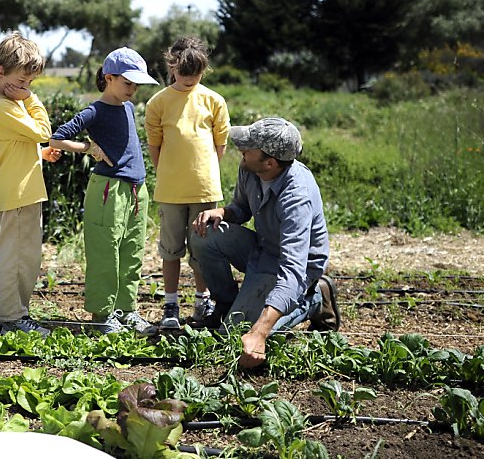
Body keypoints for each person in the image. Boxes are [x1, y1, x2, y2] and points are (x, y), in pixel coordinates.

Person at [191, 117, 340, 368]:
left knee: (240, 337)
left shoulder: (296, 198)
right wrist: (224, 213)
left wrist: (260, 333)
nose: (242, 151)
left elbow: (293, 269)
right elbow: (242, 209)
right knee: (204, 234)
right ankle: (226, 305)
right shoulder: (250, 168)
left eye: (249, 149)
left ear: (270, 162)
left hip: (294, 267)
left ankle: (315, 299)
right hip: (262, 249)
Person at [49, 48, 160, 335]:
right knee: (105, 251)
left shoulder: (129, 107)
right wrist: (89, 148)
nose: (133, 89)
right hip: (108, 189)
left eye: (137, 85)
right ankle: (102, 315)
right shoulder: (94, 111)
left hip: (137, 190)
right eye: (128, 83)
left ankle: (126, 310)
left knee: (132, 251)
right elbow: (56, 138)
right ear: (109, 77)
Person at [144, 37, 230, 329]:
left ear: (203, 70)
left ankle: (201, 299)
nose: (189, 78)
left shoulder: (214, 100)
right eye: (184, 72)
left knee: (202, 251)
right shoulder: (158, 102)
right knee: (170, 249)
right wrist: (167, 173)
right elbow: (154, 146)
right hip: (170, 191)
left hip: (205, 190)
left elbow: (221, 144)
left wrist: (206, 173)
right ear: (171, 67)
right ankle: (170, 303)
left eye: (195, 73)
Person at [0, 32, 63, 336]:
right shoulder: (2, 106)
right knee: (16, 257)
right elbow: (42, 129)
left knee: (27, 257)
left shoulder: (9, 100)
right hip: (16, 192)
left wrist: (39, 154)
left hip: (24, 189)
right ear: (0, 72)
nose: (25, 89)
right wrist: (32, 98)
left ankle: (19, 315)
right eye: (20, 82)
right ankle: (11, 318)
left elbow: (19, 142)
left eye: (30, 84)